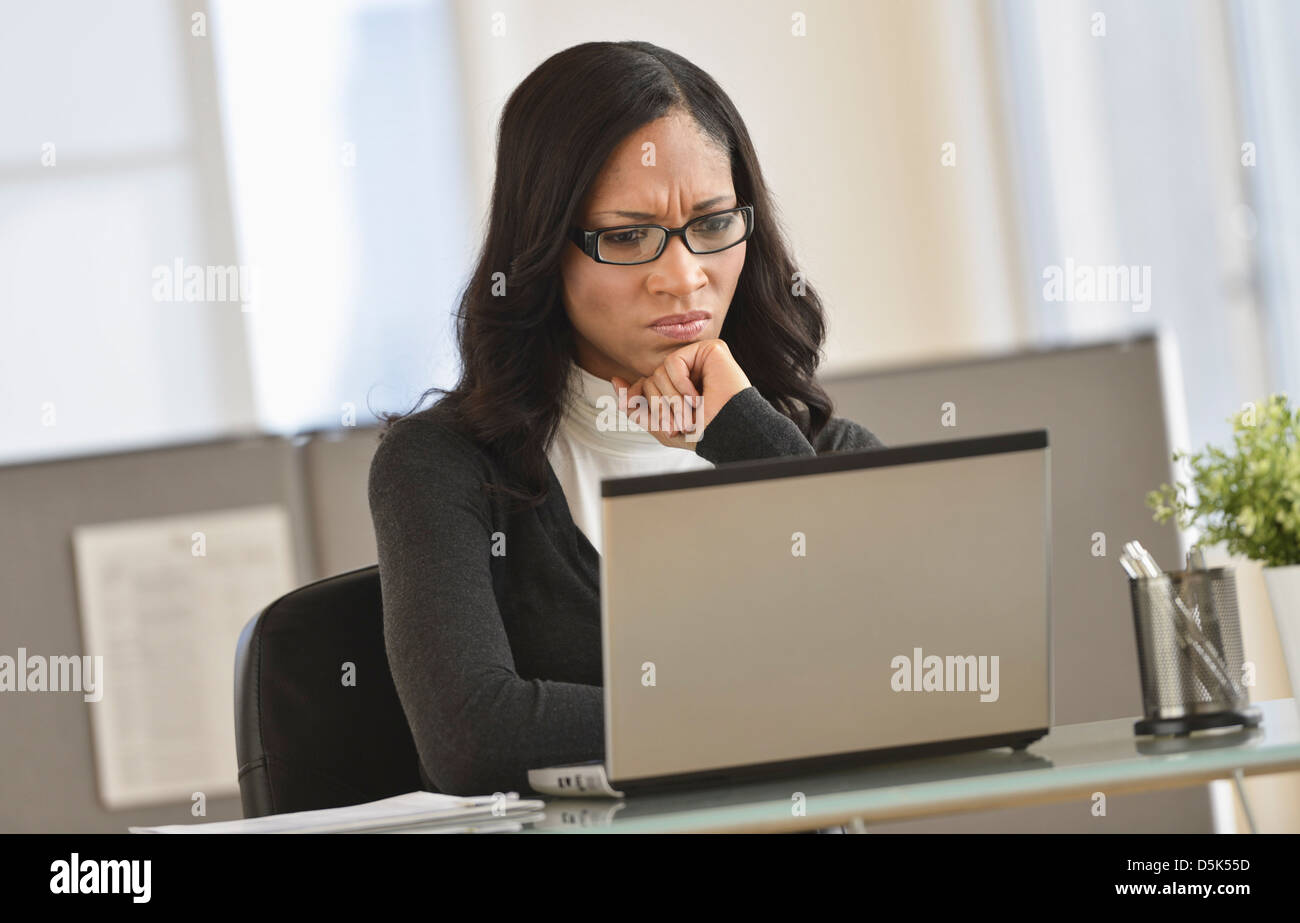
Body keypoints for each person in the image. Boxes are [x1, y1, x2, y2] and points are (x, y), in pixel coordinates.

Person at [368, 40, 885, 798]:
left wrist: (741, 428)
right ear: (545, 248)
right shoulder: (445, 467)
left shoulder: (821, 453)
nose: (683, 277)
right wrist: (786, 713)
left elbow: (900, 680)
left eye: (712, 225)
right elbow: (473, 735)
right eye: (628, 235)